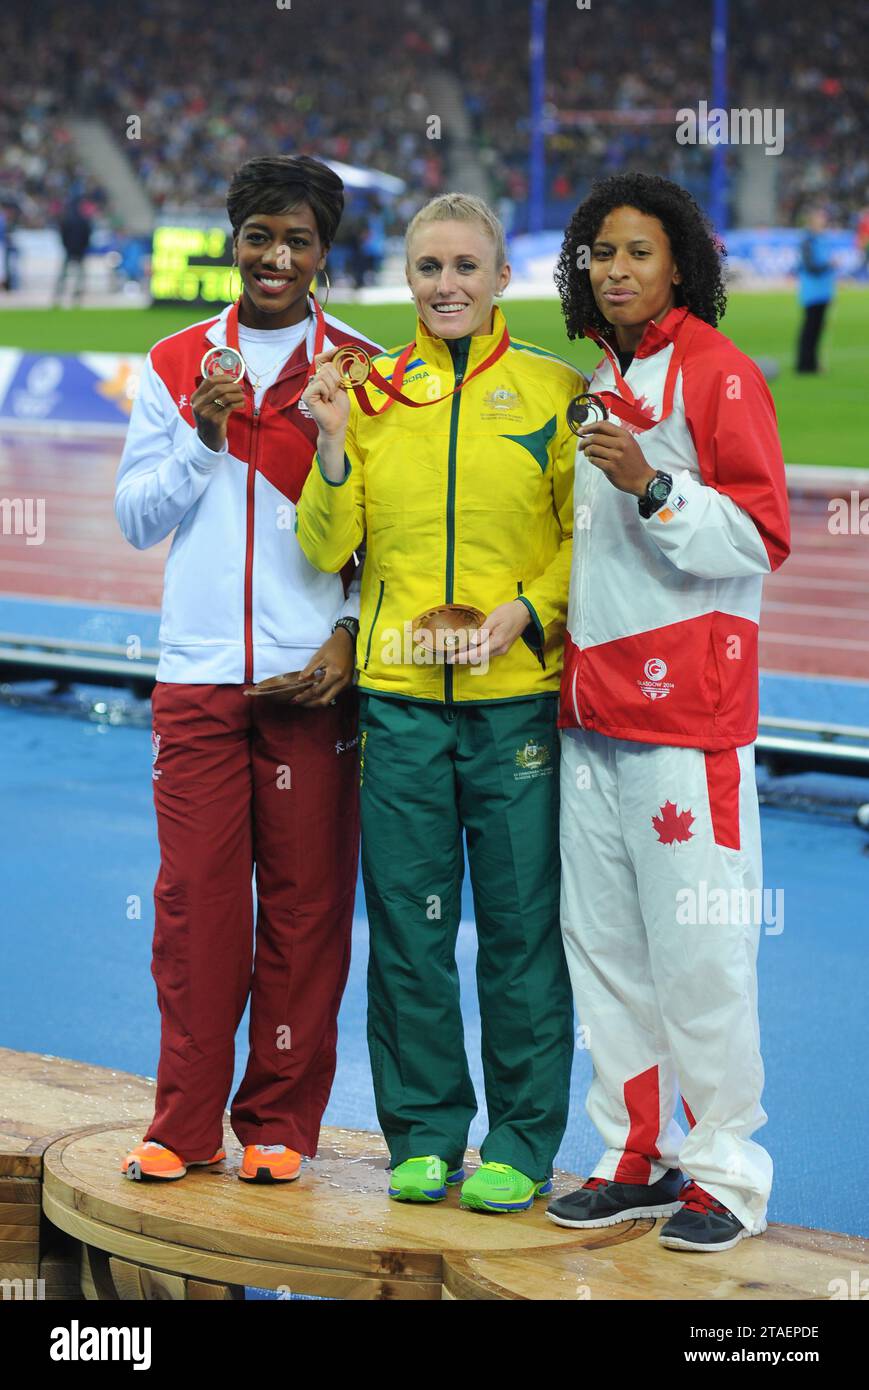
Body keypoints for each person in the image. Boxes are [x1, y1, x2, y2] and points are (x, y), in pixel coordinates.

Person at [296, 193, 583, 1213]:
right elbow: (324, 545)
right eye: (429, 268)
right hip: (401, 705)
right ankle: (421, 1133)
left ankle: (518, 1138)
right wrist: (330, 444)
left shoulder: (556, 391)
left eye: (466, 265)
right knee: (411, 931)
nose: (447, 284)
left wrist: (522, 612)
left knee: (517, 931)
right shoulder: (368, 395)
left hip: (513, 707)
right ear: (406, 279)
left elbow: (579, 540)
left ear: (502, 277)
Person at [115, 155, 378, 1185]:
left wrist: (349, 634)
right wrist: (202, 434)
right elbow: (138, 522)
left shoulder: (359, 367)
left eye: (298, 239)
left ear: (324, 252)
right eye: (260, 234)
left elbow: (384, 537)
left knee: (308, 912)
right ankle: (182, 1125)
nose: (277, 256)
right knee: (196, 910)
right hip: (198, 680)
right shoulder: (176, 358)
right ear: (233, 237)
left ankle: (278, 1124)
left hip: (311, 686)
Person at [547, 173, 790, 1252]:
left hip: (686, 719)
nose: (616, 269)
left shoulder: (717, 372)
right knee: (602, 948)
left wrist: (654, 485)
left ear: (677, 264)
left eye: (637, 252)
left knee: (699, 955)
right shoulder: (604, 375)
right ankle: (632, 1154)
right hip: (592, 714)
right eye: (601, 252)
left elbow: (760, 535)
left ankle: (725, 1171)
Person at [795, 206, 835, 373]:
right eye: (819, 219)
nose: (822, 222)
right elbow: (810, 266)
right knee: (809, 329)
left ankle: (812, 364)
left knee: (818, 329)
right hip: (812, 292)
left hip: (824, 291)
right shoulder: (808, 241)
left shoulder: (823, 240)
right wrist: (829, 265)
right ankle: (804, 364)